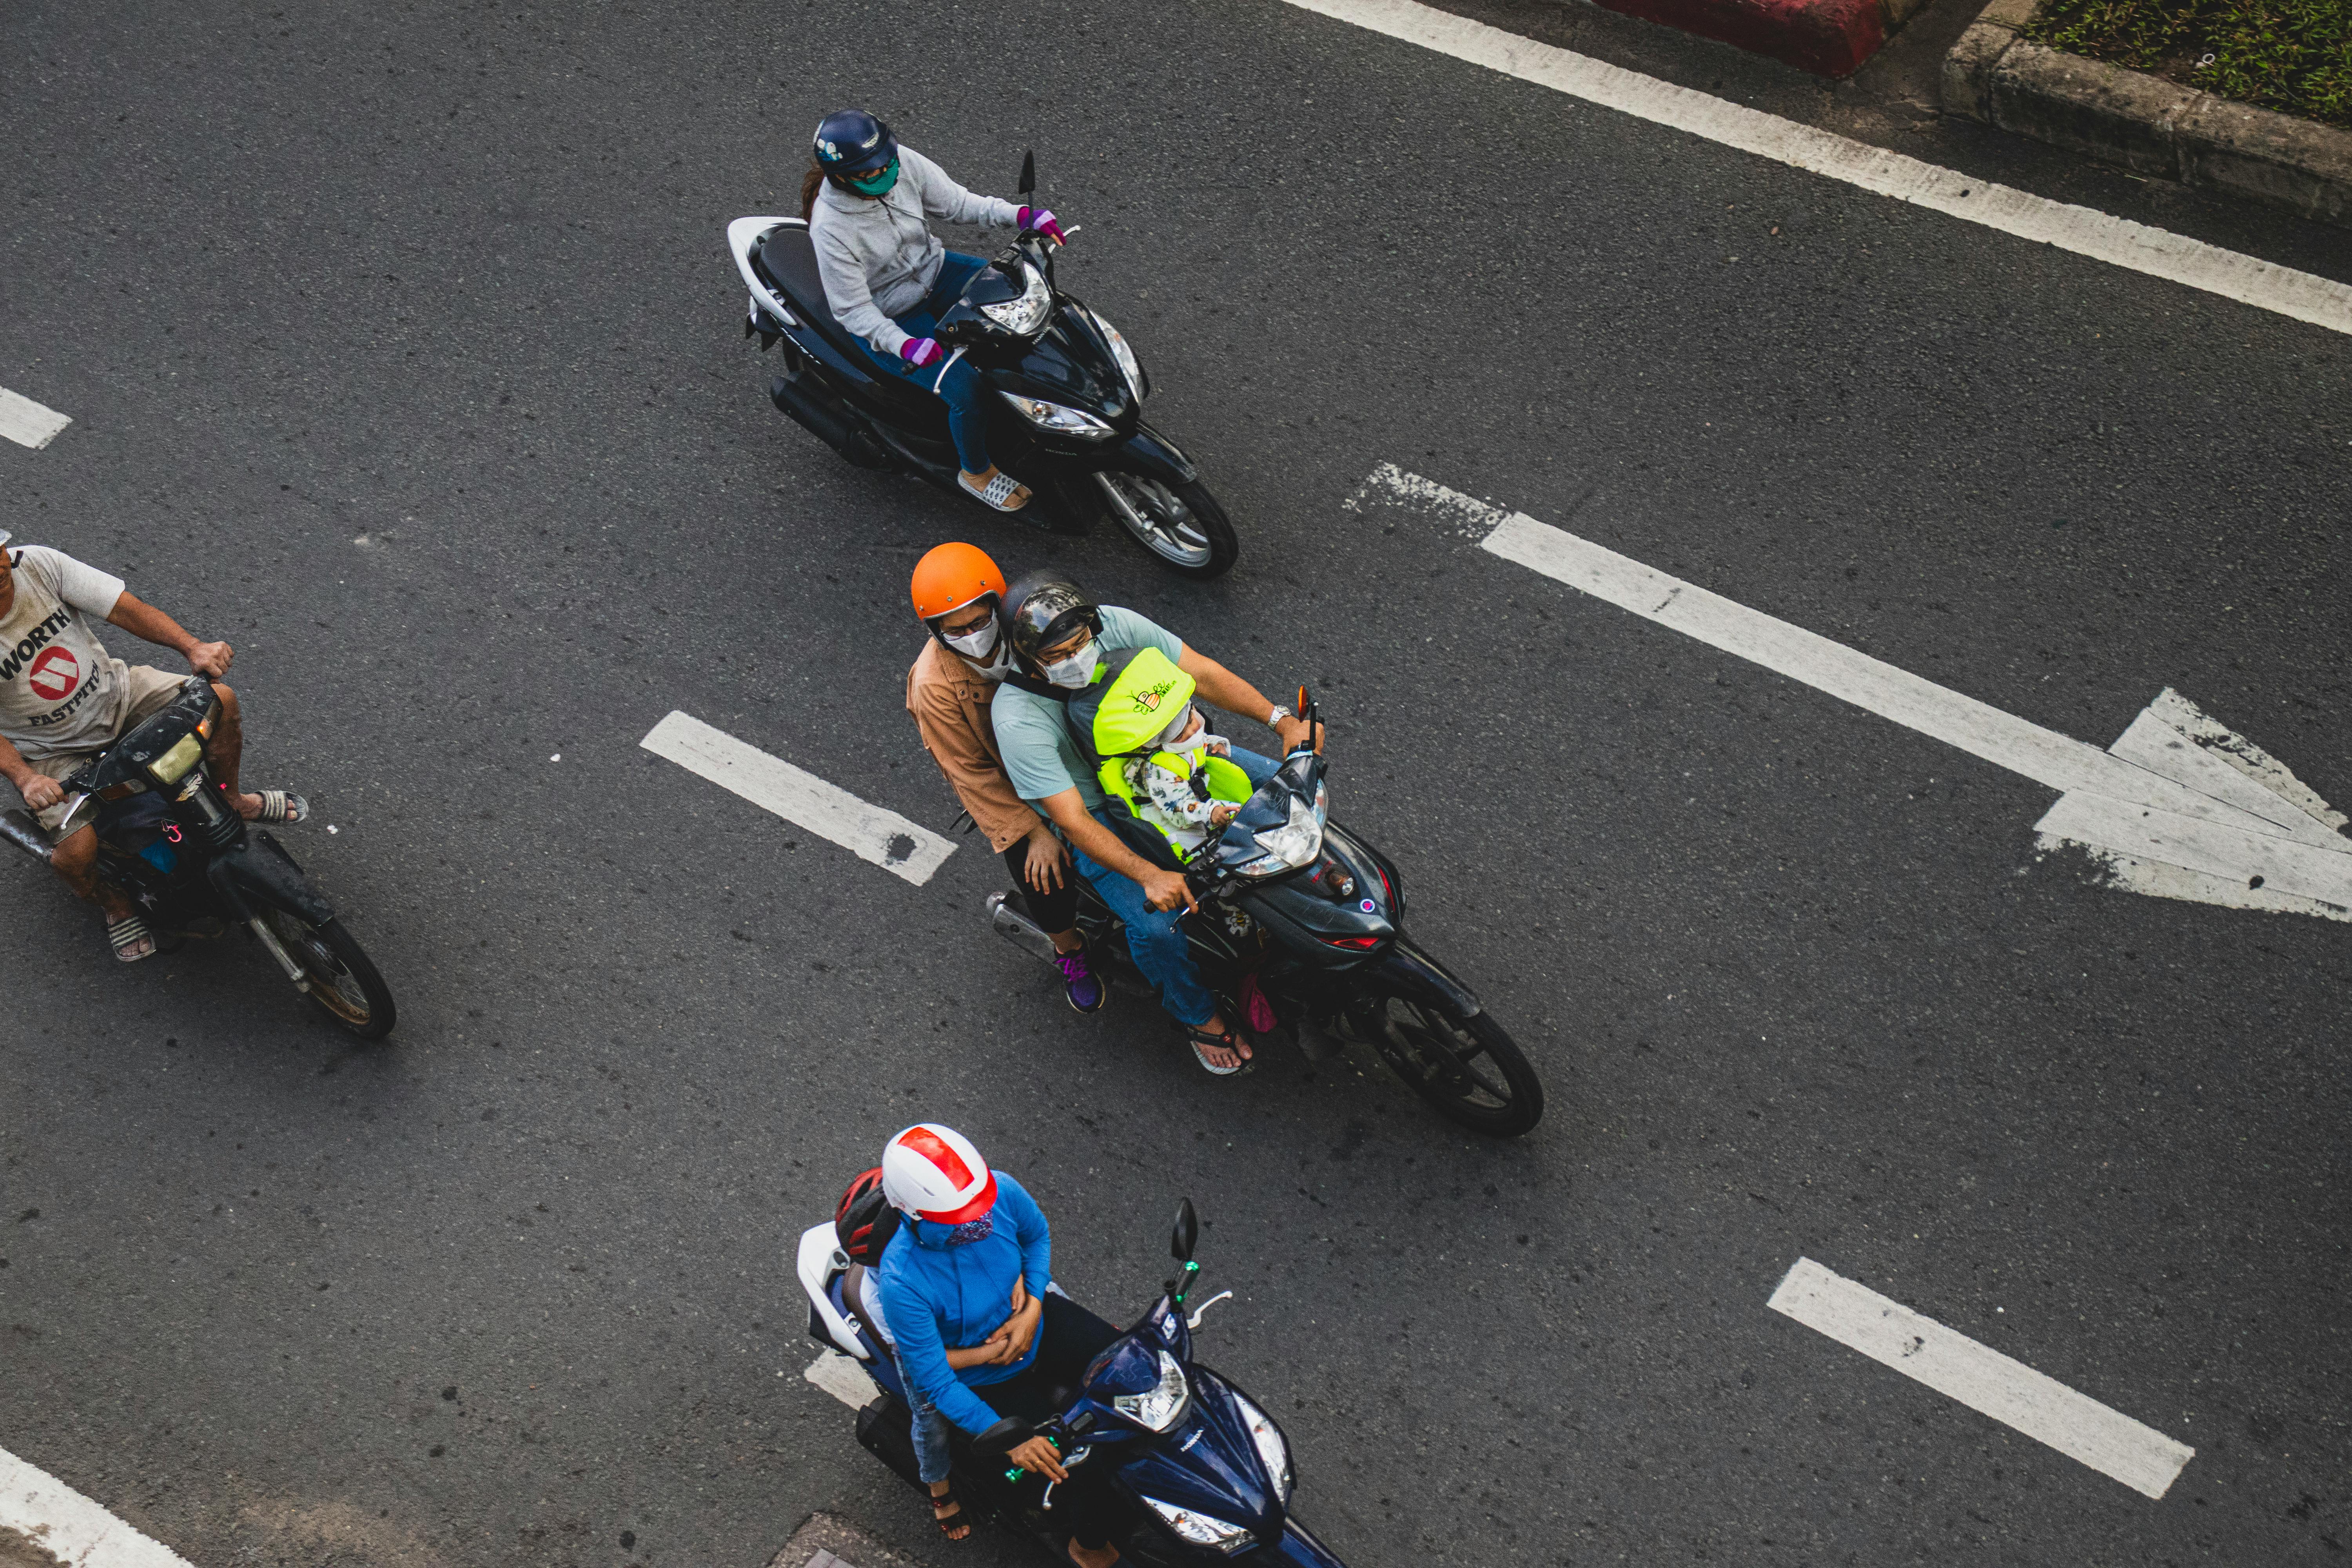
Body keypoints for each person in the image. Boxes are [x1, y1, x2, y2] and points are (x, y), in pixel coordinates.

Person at [991, 575, 1318, 1075]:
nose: (1074, 659)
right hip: (1099, 807)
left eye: (1080, 646)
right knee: (1159, 927)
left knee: (1287, 786)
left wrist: (1281, 722)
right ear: (1030, 661)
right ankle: (1197, 1015)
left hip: (1175, 753)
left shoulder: (1117, 625)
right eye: (1055, 657)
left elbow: (1199, 673)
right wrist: (1149, 875)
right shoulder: (1019, 719)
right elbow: (1074, 819)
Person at [0, 530, 305, 962]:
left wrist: (192, 647)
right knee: (75, 856)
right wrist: (26, 777)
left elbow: (123, 608)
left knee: (222, 701)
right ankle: (114, 903)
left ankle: (234, 800)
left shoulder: (37, 565)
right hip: (54, 753)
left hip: (122, 696)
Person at [874, 1123, 1127, 1568]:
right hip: (984, 1377)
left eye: (980, 1205)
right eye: (959, 1218)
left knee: (1133, 1365)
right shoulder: (903, 1282)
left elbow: (1037, 1236)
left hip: (1036, 1324)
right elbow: (934, 1379)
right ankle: (1088, 1548)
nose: (979, 1222)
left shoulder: (1001, 1191)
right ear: (912, 1216)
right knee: (1080, 1471)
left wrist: (1031, 1306)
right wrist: (1013, 1441)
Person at [802, 111, 1069, 514]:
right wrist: (905, 345)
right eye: (872, 174)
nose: (887, 174)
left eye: (887, 163)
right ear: (841, 178)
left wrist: (1018, 215)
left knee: (1020, 296)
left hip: (937, 270)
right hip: (894, 315)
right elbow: (854, 310)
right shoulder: (831, 230)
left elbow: (958, 203)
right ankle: (976, 472)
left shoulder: (899, 162)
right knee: (967, 393)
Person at [904, 543, 1102, 1013]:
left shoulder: (1030, 624)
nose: (972, 636)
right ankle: (1069, 950)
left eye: (979, 622)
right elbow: (969, 772)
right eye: (956, 631)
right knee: (1044, 874)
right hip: (1017, 791)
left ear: (998, 604)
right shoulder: (933, 686)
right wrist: (1033, 833)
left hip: (1084, 744)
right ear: (937, 632)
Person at [834, 1168, 1029, 1542]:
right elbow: (931, 1364)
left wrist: (1019, 1281)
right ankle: (939, 1489)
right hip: (936, 1350)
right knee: (931, 1420)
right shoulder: (888, 1298)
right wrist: (997, 1350)